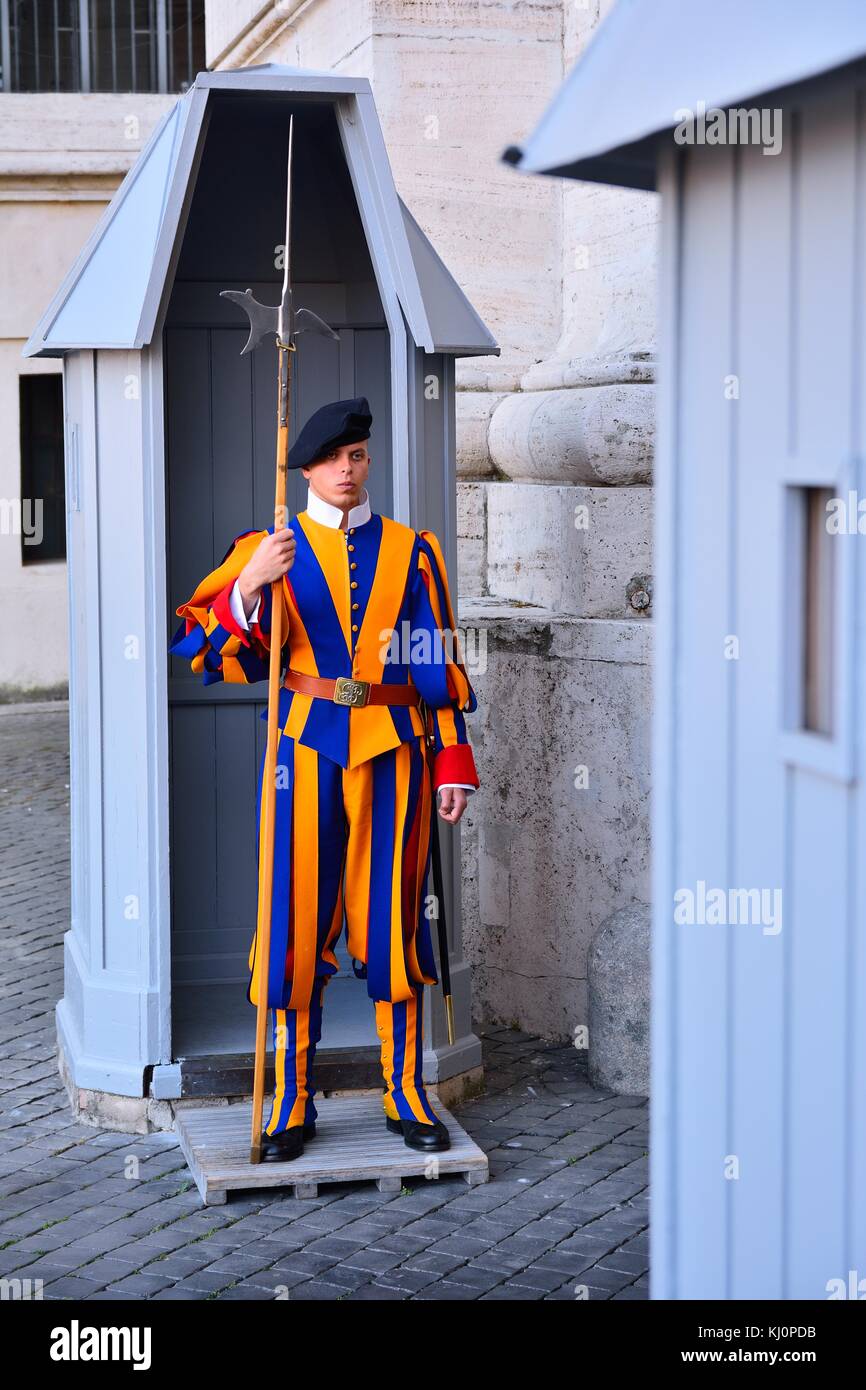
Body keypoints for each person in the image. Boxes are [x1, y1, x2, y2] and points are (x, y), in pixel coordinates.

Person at [169, 397, 480, 1161]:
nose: (349, 468)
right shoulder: (266, 546)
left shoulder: (415, 552)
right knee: (293, 925)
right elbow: (203, 648)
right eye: (335, 457)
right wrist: (248, 587)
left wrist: (452, 762)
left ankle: (405, 1091)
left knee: (392, 920)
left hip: (396, 750)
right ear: (305, 466)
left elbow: (434, 662)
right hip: (301, 750)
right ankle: (288, 1097)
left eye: (359, 455)